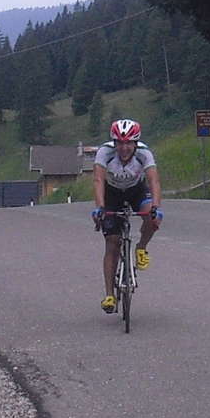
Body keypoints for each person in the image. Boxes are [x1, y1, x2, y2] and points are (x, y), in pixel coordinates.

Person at [91, 117, 163, 313]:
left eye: (128, 143)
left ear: (135, 143)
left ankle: (141, 247)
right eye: (120, 143)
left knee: (153, 216)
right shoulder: (104, 153)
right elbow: (98, 180)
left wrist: (156, 206)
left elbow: (154, 181)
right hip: (112, 193)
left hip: (136, 190)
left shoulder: (144, 153)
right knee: (112, 243)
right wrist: (100, 207)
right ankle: (109, 295)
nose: (124, 148)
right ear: (114, 143)